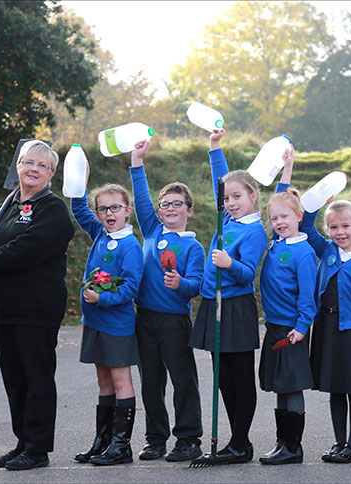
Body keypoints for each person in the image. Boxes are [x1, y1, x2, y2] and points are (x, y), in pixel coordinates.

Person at [0, 140, 74, 471]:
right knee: (15, 381)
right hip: (3, 308)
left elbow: (30, 247)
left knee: (37, 379)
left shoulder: (53, 210)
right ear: (18, 166)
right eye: (28, 162)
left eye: (42, 165)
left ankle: (37, 449)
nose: (33, 169)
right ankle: (23, 442)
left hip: (37, 308)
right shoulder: (5, 206)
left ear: (51, 174)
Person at [189, 128, 268, 463]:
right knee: (222, 378)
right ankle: (238, 442)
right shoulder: (227, 220)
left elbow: (248, 273)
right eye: (227, 199)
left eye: (238, 197)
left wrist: (229, 263)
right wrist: (214, 147)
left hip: (236, 306)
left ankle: (239, 442)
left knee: (240, 376)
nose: (231, 203)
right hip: (213, 304)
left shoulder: (255, 231)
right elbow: (219, 182)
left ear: (253, 196)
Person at [128, 140, 205, 463]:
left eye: (177, 204)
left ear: (189, 210)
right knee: (151, 383)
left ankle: (188, 439)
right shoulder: (151, 230)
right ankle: (155, 439)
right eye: (165, 204)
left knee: (183, 381)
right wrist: (136, 162)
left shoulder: (194, 248)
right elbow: (141, 199)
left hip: (175, 322)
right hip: (144, 319)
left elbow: (197, 286)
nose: (170, 208)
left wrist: (180, 283)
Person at [301, 199, 351, 464]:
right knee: (335, 387)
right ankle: (339, 442)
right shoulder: (327, 250)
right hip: (327, 329)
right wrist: (315, 201)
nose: (340, 232)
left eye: (346, 226)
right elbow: (306, 228)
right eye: (333, 227)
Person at [71, 182, 143, 466]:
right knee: (103, 382)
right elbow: (79, 209)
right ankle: (102, 442)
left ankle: (121, 446)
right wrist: (79, 180)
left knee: (120, 381)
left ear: (127, 210)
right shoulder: (100, 232)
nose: (109, 213)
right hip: (94, 322)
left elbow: (130, 288)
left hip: (117, 324)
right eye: (103, 209)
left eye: (115, 208)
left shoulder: (131, 246)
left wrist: (103, 298)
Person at [257, 156, 318, 464]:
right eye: (274, 218)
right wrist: (287, 169)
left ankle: (294, 447)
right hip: (274, 327)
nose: (279, 222)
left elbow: (308, 298)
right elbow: (280, 194)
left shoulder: (303, 252)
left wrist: (302, 327)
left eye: (285, 216)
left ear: (299, 216)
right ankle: (282, 442)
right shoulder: (275, 243)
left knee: (292, 388)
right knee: (280, 386)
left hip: (293, 329)